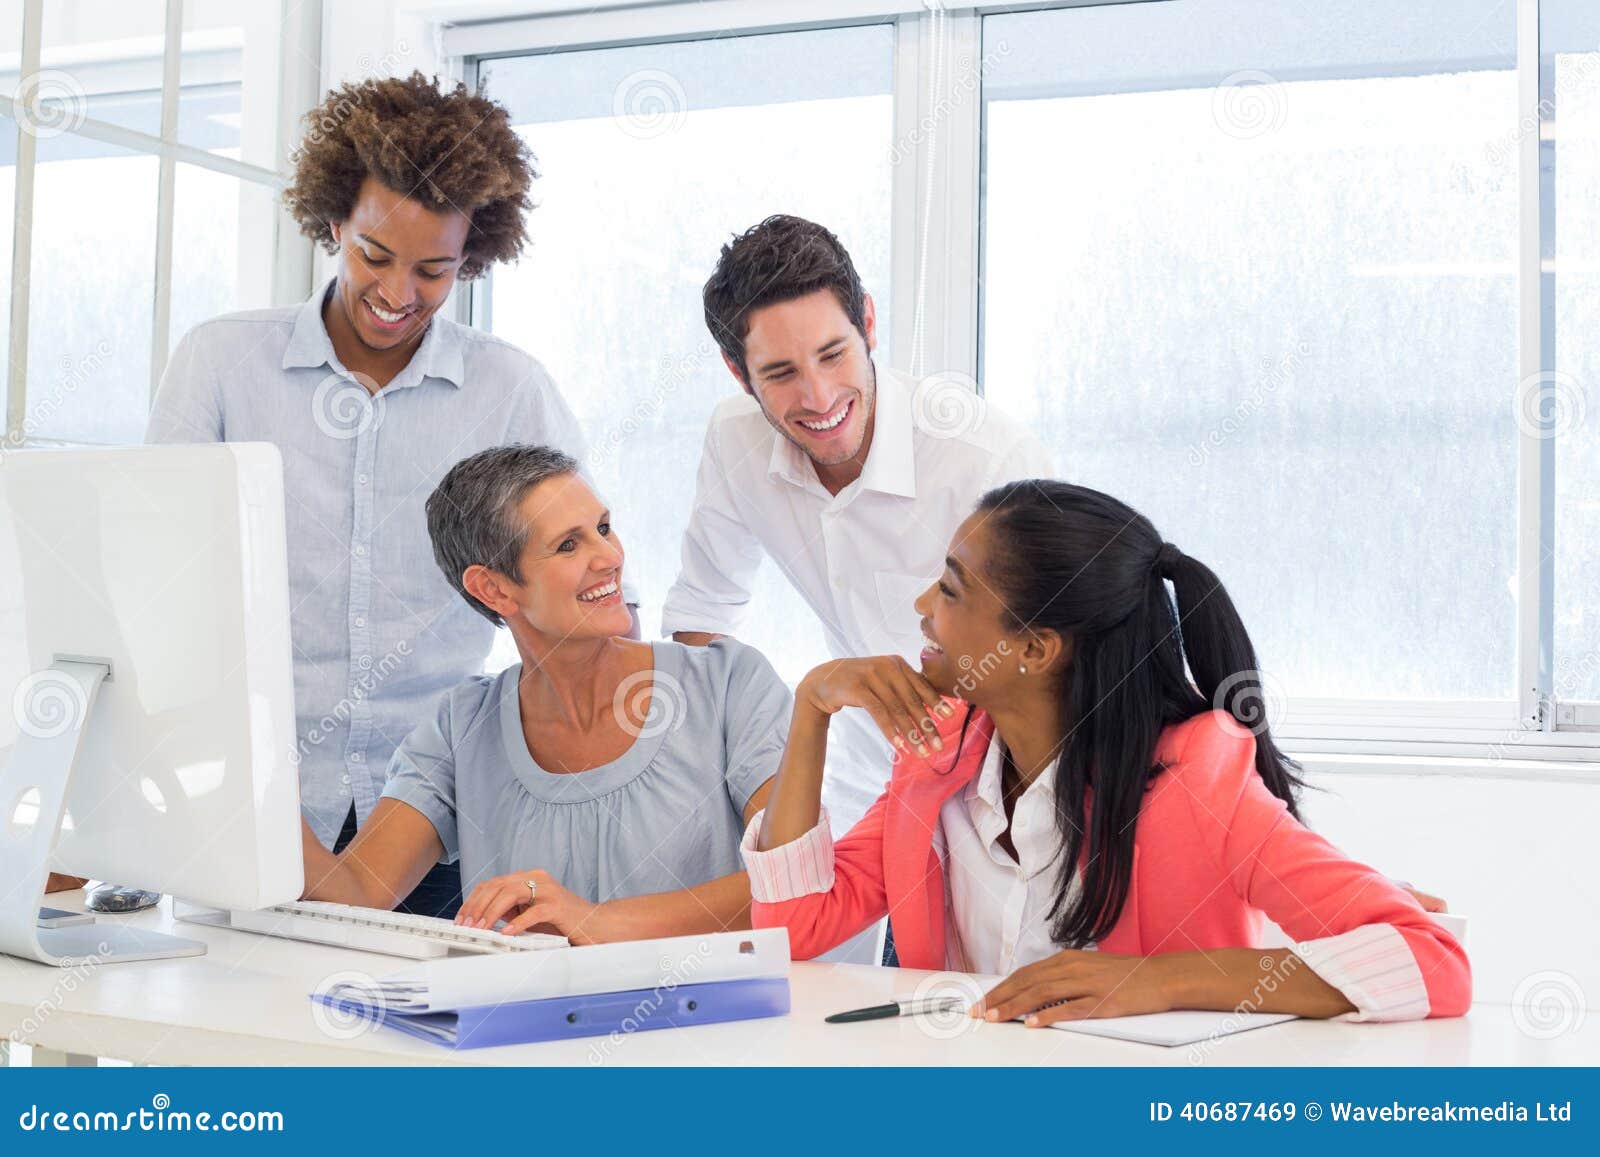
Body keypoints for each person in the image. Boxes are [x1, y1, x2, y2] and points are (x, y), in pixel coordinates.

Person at [139, 73, 633, 917]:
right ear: (334, 221)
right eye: (374, 255)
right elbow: (154, 586)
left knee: (420, 1041)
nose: (399, 294)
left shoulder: (511, 391)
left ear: (471, 258)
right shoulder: (221, 365)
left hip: (444, 817)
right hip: (249, 802)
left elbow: (587, 591)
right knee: (239, 1038)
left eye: (434, 270)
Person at [740, 480, 1471, 1023]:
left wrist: (1159, 980)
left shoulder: (1197, 785)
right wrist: (814, 707)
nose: (923, 605)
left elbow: (1434, 960)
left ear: (1035, 647)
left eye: (953, 590)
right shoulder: (940, 759)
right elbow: (795, 928)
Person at [300, 445, 787, 943]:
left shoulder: (729, 686)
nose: (610, 558)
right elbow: (355, 894)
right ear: (494, 590)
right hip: (543, 1018)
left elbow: (794, 887)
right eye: (568, 546)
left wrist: (592, 920)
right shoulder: (461, 729)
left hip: (717, 1018)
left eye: (602, 527)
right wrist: (243, 765)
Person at [663, 214, 1054, 833]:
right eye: (781, 373)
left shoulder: (986, 459)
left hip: (1003, 780)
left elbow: (1058, 660)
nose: (818, 398)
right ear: (740, 374)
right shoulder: (733, 438)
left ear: (867, 323)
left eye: (832, 354)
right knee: (793, 914)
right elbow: (702, 619)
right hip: (861, 773)